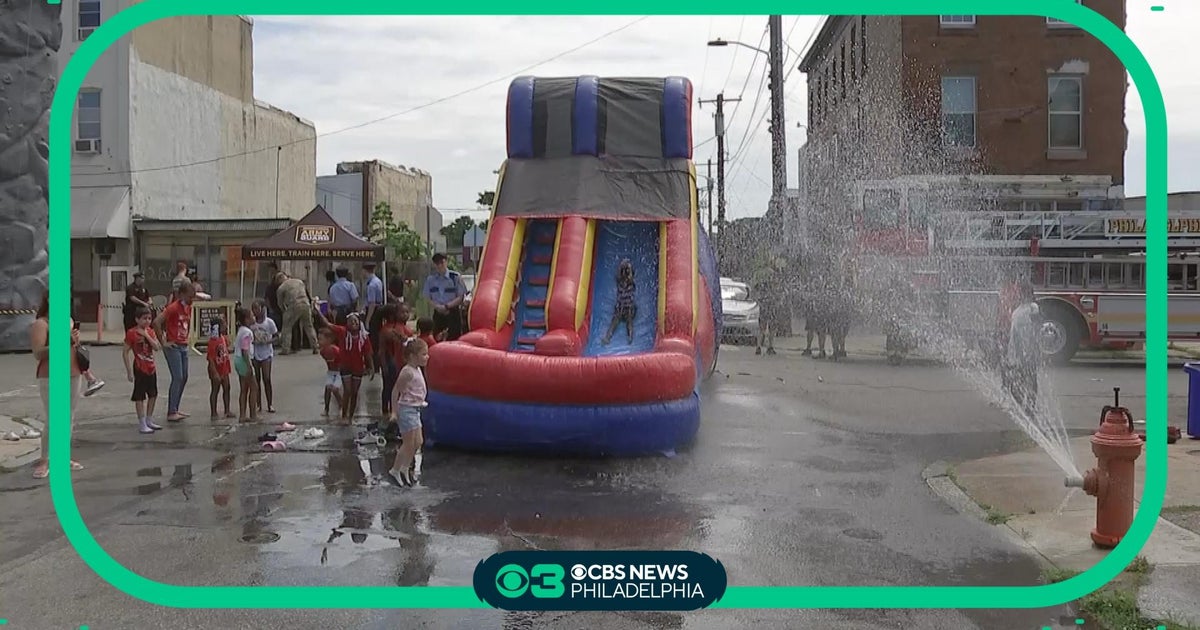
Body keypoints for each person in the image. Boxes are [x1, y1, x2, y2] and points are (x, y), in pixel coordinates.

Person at [29, 290, 85, 479]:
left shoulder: (68, 320)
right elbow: (38, 352)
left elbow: (73, 346)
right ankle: (44, 459)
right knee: (54, 417)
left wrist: (74, 339)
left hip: (73, 371)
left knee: (68, 417)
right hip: (50, 374)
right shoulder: (41, 324)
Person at [314, 309, 374, 425]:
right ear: (347, 323)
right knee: (347, 390)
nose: (354, 323)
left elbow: (368, 353)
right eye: (351, 321)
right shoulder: (342, 332)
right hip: (345, 366)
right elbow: (327, 324)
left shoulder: (364, 337)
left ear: (359, 323)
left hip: (358, 368)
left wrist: (371, 367)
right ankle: (344, 415)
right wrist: (318, 312)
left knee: (355, 392)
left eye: (356, 321)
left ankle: (351, 417)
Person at [387, 337, 429, 488]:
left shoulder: (416, 369)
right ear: (412, 356)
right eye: (424, 354)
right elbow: (396, 390)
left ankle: (405, 468)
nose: (427, 357)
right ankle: (395, 470)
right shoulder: (407, 372)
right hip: (407, 410)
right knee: (408, 443)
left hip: (415, 409)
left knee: (418, 441)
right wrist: (394, 411)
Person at [155, 278, 195, 422]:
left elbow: (188, 323)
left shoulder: (188, 307)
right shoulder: (173, 307)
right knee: (177, 377)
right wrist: (163, 342)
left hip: (183, 344)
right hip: (173, 346)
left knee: (184, 377)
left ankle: (175, 408)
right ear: (182, 295)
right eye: (190, 296)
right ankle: (171, 411)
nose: (192, 299)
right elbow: (157, 322)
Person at [1003, 282, 1044, 418]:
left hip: (1022, 353)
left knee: (1022, 381)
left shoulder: (1025, 309)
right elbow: (1035, 328)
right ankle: (1028, 407)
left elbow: (1034, 328)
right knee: (1028, 381)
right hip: (1023, 352)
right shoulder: (1028, 308)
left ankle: (1026, 407)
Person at [122, 307, 163, 434]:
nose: (147, 321)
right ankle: (142, 421)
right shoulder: (131, 333)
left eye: (149, 318)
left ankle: (149, 419)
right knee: (139, 396)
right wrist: (129, 371)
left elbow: (157, 347)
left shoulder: (150, 332)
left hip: (151, 366)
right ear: (137, 319)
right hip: (140, 366)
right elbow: (125, 352)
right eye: (144, 318)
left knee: (153, 394)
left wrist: (146, 334)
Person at [422, 253, 467, 341]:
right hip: (438, 313)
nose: (440, 266)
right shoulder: (431, 280)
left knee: (454, 339)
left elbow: (461, 296)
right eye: (437, 263)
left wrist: (447, 306)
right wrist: (437, 306)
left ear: (446, 262)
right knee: (437, 339)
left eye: (442, 262)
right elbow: (427, 297)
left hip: (453, 313)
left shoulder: (455, 277)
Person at [275, 272, 319, 355]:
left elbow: (280, 303)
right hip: (305, 304)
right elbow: (306, 293)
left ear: (279, 279)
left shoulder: (281, 288)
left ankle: (286, 349)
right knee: (309, 326)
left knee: (287, 327)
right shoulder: (299, 281)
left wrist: (284, 310)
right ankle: (315, 346)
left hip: (294, 305)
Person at [250, 299, 279, 414]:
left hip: (266, 353)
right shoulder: (252, 323)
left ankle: (270, 403)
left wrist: (268, 341)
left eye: (257, 308)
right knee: (256, 379)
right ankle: (258, 404)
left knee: (266, 378)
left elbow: (277, 337)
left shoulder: (269, 323)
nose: (255, 311)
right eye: (253, 309)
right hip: (255, 353)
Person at [601, 259, 636, 345]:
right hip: (621, 308)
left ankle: (630, 336)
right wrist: (625, 266)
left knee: (628, 320)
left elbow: (625, 275)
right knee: (615, 321)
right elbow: (621, 275)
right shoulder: (623, 282)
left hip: (628, 308)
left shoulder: (630, 283)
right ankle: (608, 337)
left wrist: (624, 265)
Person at [232, 307, 258, 423]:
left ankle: (242, 415)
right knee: (254, 387)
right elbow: (245, 350)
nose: (254, 317)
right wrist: (249, 365)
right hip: (244, 360)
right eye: (252, 316)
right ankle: (253, 415)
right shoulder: (247, 332)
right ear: (247, 319)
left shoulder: (241, 330)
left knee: (244, 389)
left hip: (238, 359)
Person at [206, 316, 234, 421]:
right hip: (216, 368)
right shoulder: (213, 342)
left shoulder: (222, 338)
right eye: (223, 325)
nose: (225, 326)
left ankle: (227, 410)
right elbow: (211, 359)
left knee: (227, 388)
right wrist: (215, 373)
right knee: (215, 390)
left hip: (224, 367)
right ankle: (213, 412)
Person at [363, 263, 386, 371]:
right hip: (378, 310)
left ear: (364, 271)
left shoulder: (372, 285)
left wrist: (367, 320)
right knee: (376, 338)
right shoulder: (378, 281)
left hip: (373, 312)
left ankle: (373, 365)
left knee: (372, 340)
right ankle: (377, 364)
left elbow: (372, 303)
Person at [318, 328, 343, 417]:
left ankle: (341, 405)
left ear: (329, 340)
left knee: (335, 389)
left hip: (339, 372)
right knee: (328, 388)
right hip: (331, 372)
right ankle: (326, 408)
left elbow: (342, 362)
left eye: (321, 340)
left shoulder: (336, 350)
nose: (319, 342)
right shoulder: (322, 351)